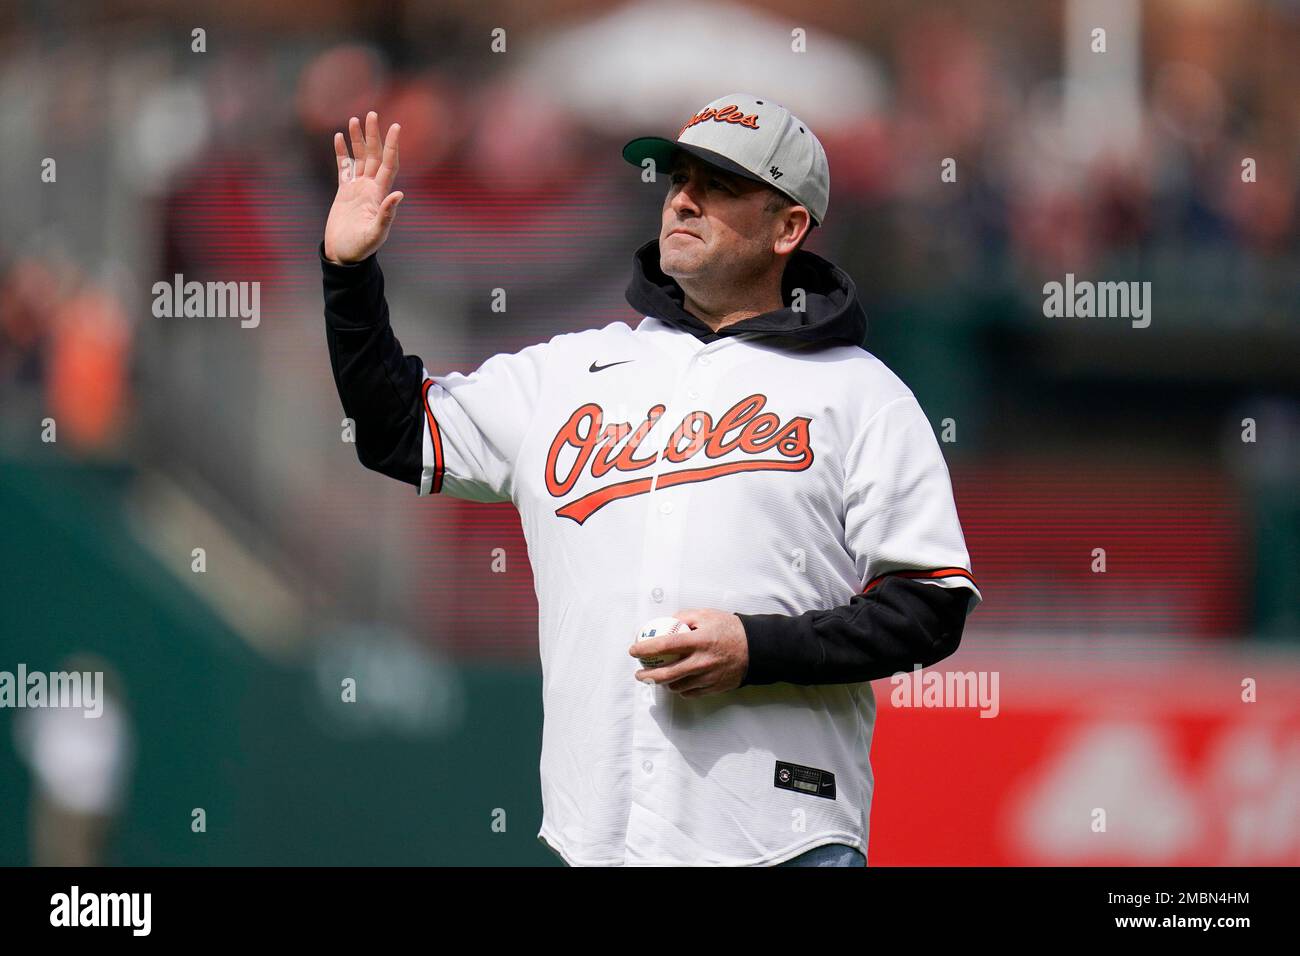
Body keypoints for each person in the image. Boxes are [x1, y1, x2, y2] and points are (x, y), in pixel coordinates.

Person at [320, 94, 981, 867]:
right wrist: (349, 272)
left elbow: (931, 608)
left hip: (784, 841)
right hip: (603, 837)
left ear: (789, 227)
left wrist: (757, 648)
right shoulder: (572, 371)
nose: (685, 200)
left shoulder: (859, 392)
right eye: (677, 180)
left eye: (722, 186)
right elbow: (398, 430)